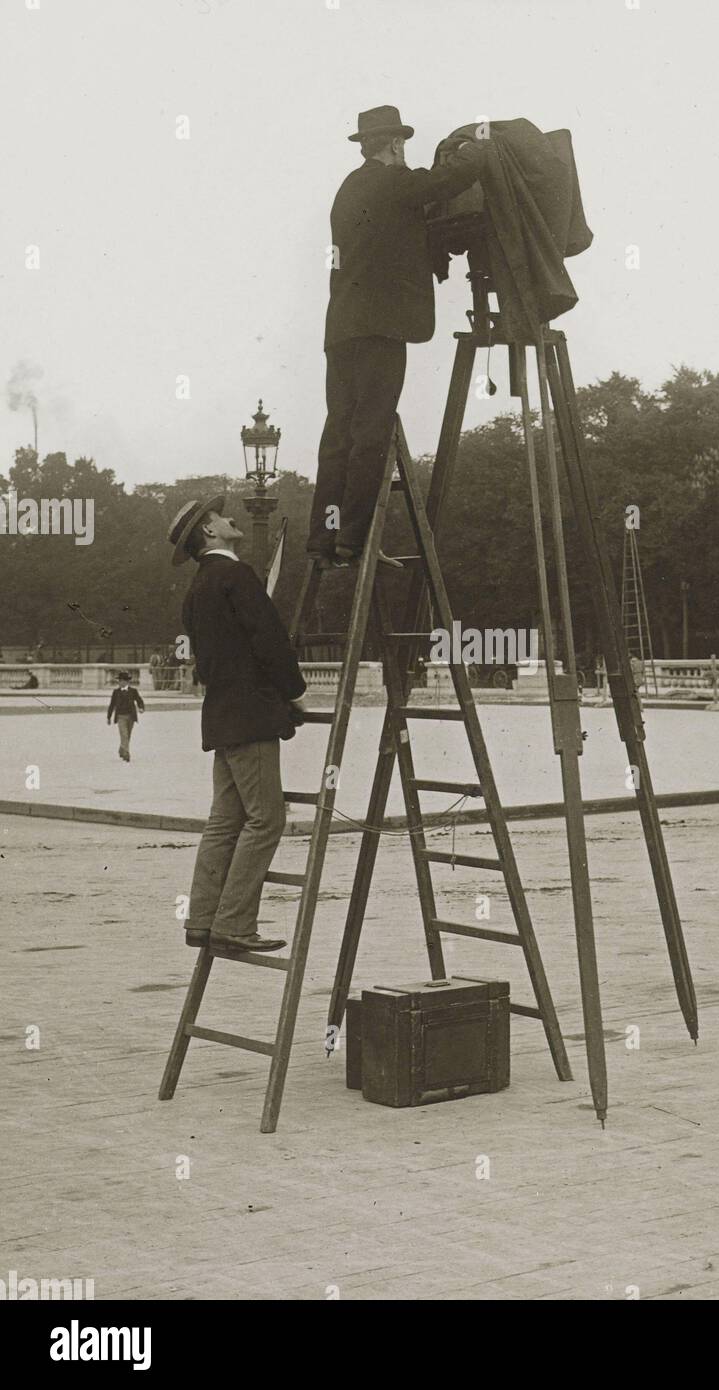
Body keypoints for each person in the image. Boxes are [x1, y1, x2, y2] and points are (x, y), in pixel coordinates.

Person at [307, 105, 488, 567]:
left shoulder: (348, 189)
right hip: (380, 328)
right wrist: (476, 147)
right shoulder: (393, 182)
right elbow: (447, 180)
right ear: (394, 143)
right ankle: (353, 535)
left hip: (342, 328)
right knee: (372, 429)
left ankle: (323, 537)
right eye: (403, 146)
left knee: (339, 433)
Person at [168, 495, 308, 953]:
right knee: (267, 820)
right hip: (251, 718)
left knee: (225, 822)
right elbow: (268, 640)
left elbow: (211, 663)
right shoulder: (237, 577)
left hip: (222, 718)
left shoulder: (197, 589)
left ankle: (202, 920)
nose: (231, 519)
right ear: (209, 532)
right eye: (220, 517)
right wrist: (294, 692)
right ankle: (233, 924)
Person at [107, 671, 145, 761]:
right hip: (120, 717)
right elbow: (112, 705)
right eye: (119, 681)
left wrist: (141, 708)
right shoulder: (116, 692)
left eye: (121, 681)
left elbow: (139, 700)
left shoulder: (133, 691)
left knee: (128, 735)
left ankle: (122, 749)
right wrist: (109, 717)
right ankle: (127, 753)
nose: (119, 683)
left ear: (126, 682)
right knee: (124, 734)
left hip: (131, 716)